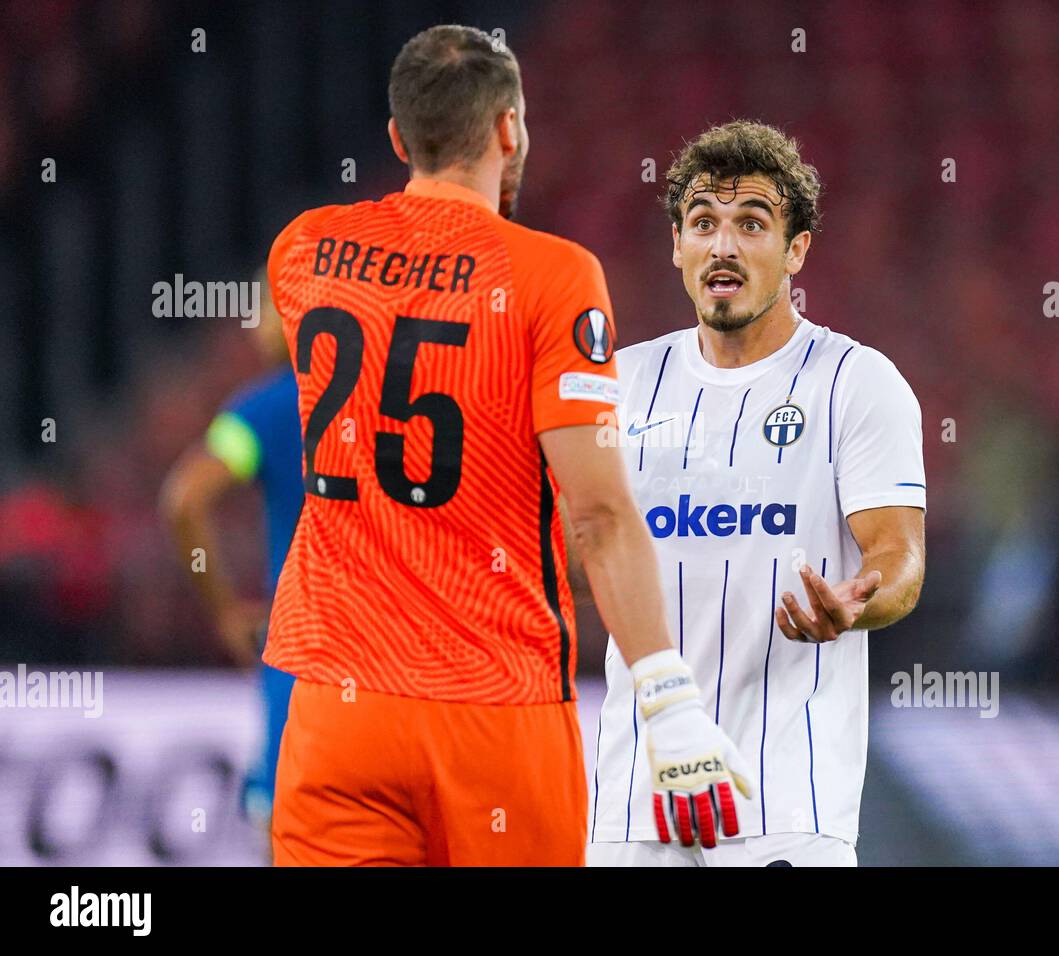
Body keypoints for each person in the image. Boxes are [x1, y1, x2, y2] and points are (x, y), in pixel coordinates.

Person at [262, 25, 749, 866]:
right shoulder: (554, 276)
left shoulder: (302, 252)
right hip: (496, 702)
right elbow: (596, 515)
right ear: (510, 130)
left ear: (397, 138)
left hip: (335, 702)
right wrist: (669, 700)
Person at [585, 121, 927, 866]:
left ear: (796, 249)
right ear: (677, 244)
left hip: (787, 799)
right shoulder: (620, 383)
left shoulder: (856, 382)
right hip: (634, 794)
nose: (724, 246)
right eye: (703, 223)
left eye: (752, 224)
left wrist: (859, 599)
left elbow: (899, 554)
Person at [159, 276, 302, 836]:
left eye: (271, 308)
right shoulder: (397, 395)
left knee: (286, 830)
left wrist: (224, 610)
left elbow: (182, 500)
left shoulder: (264, 411)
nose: (259, 323)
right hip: (406, 665)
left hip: (303, 658)